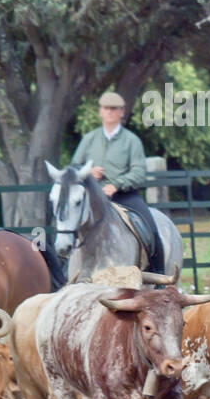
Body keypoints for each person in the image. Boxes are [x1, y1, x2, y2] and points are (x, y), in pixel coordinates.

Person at [69, 91, 165, 274]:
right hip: (93, 199)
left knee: (151, 229)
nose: (110, 112)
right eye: (106, 108)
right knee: (68, 224)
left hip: (125, 196)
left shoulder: (131, 141)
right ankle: (66, 272)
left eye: (114, 109)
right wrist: (87, 172)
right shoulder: (89, 139)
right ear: (100, 112)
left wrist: (117, 185)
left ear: (122, 112)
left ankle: (158, 273)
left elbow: (138, 172)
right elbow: (74, 167)